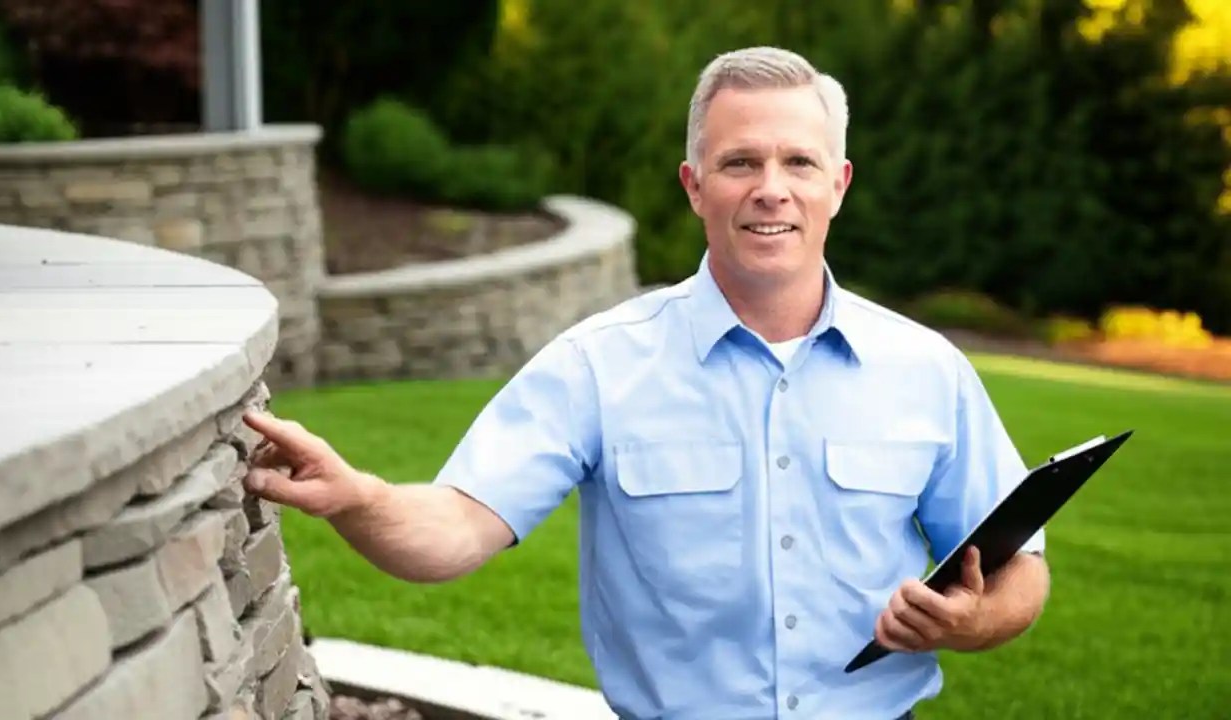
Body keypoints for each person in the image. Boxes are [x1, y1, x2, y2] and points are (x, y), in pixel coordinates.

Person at [243, 46, 1051, 720]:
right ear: (695, 187)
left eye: (798, 161)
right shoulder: (600, 364)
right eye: (740, 162)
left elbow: (1022, 566)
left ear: (837, 185)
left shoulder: (925, 369)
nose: (772, 186)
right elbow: (454, 528)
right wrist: (360, 499)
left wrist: (972, 619)